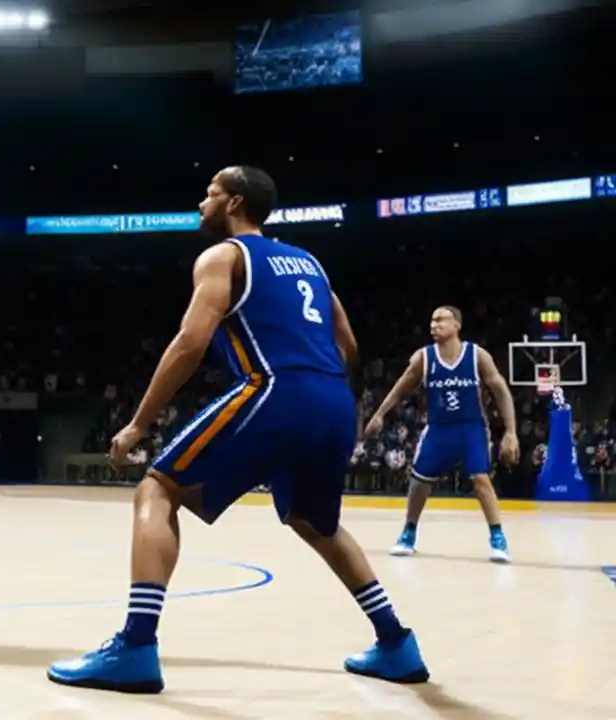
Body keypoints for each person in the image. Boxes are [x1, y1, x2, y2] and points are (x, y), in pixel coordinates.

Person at [47, 166, 429, 694]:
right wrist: (326, 394)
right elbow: (349, 345)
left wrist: (138, 423)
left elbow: (189, 343)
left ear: (234, 202)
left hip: (276, 388)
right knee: (317, 524)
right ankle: (396, 642)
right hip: (333, 399)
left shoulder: (224, 256)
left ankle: (135, 647)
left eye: (209, 194)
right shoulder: (309, 262)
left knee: (157, 488)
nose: (201, 203)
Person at [364, 306, 520, 562]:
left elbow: (501, 390)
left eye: (440, 320)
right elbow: (400, 389)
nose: (433, 324)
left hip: (471, 428)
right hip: (438, 428)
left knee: (481, 480)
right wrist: (380, 414)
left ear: (456, 324)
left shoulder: (476, 355)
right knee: (419, 482)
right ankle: (408, 532)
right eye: (431, 321)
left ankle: (497, 536)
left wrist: (511, 431)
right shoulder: (423, 358)